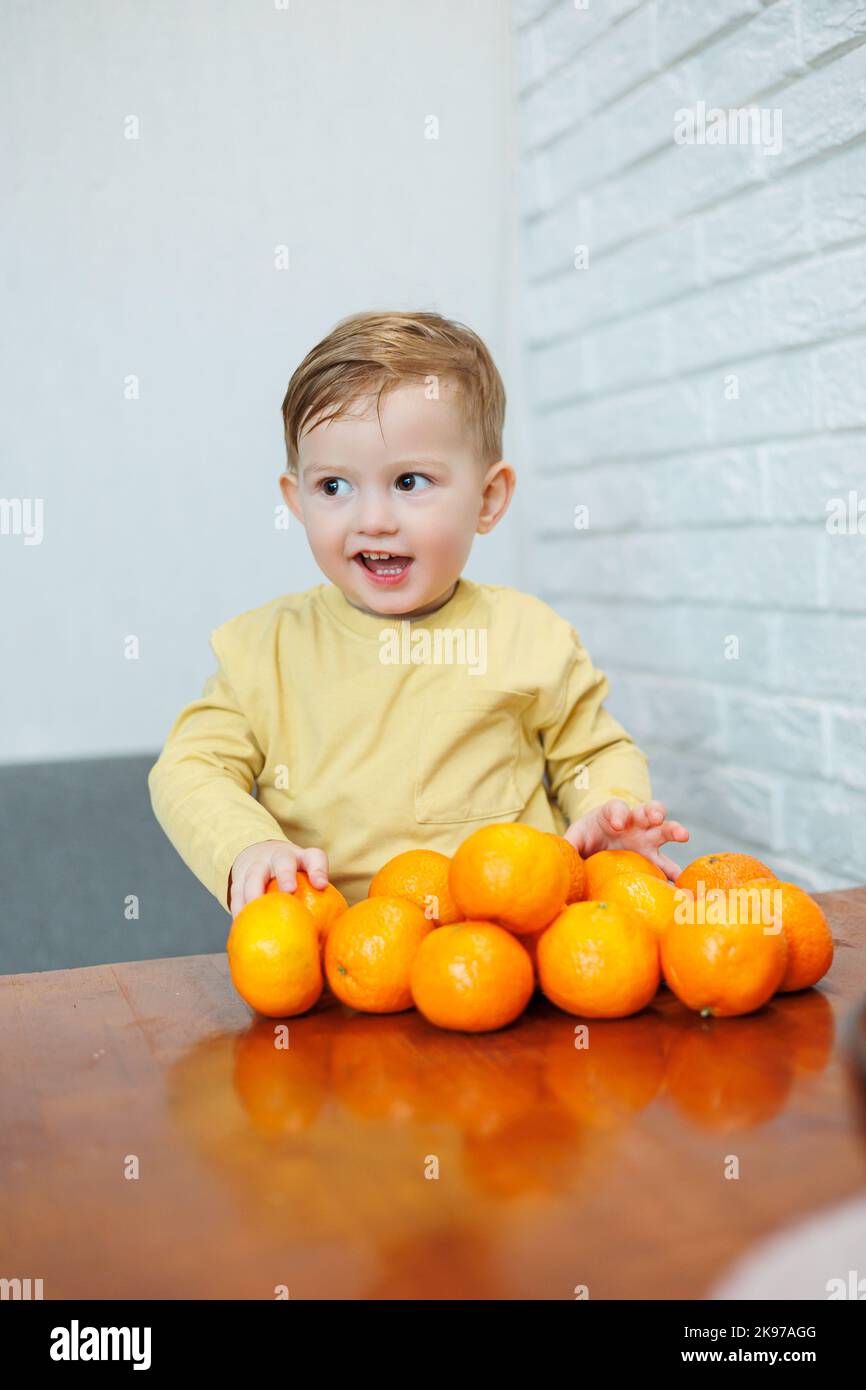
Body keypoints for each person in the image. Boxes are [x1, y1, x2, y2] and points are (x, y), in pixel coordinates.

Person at [148, 310, 688, 918]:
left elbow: (592, 754)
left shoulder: (529, 637)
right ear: (297, 501)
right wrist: (248, 847)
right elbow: (190, 769)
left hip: (514, 950)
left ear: (488, 498)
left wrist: (604, 809)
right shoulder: (262, 650)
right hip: (345, 962)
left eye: (409, 481)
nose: (373, 519)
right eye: (334, 487)